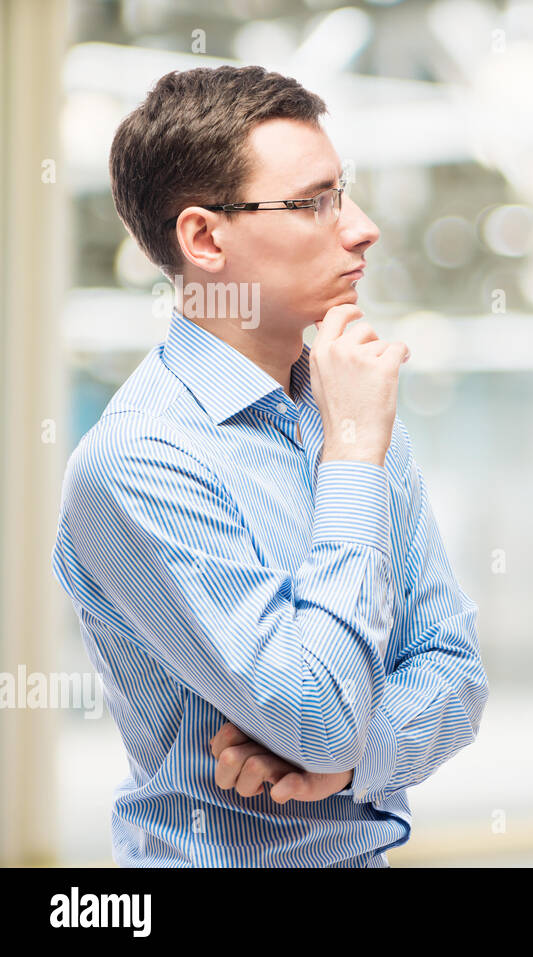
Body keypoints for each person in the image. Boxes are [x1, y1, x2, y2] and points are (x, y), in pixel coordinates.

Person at [50, 65, 489, 867]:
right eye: (314, 202)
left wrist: (349, 761)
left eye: (343, 193)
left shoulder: (342, 403)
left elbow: (456, 675)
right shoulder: (139, 458)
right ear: (205, 238)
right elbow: (318, 711)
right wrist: (353, 456)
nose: (361, 228)